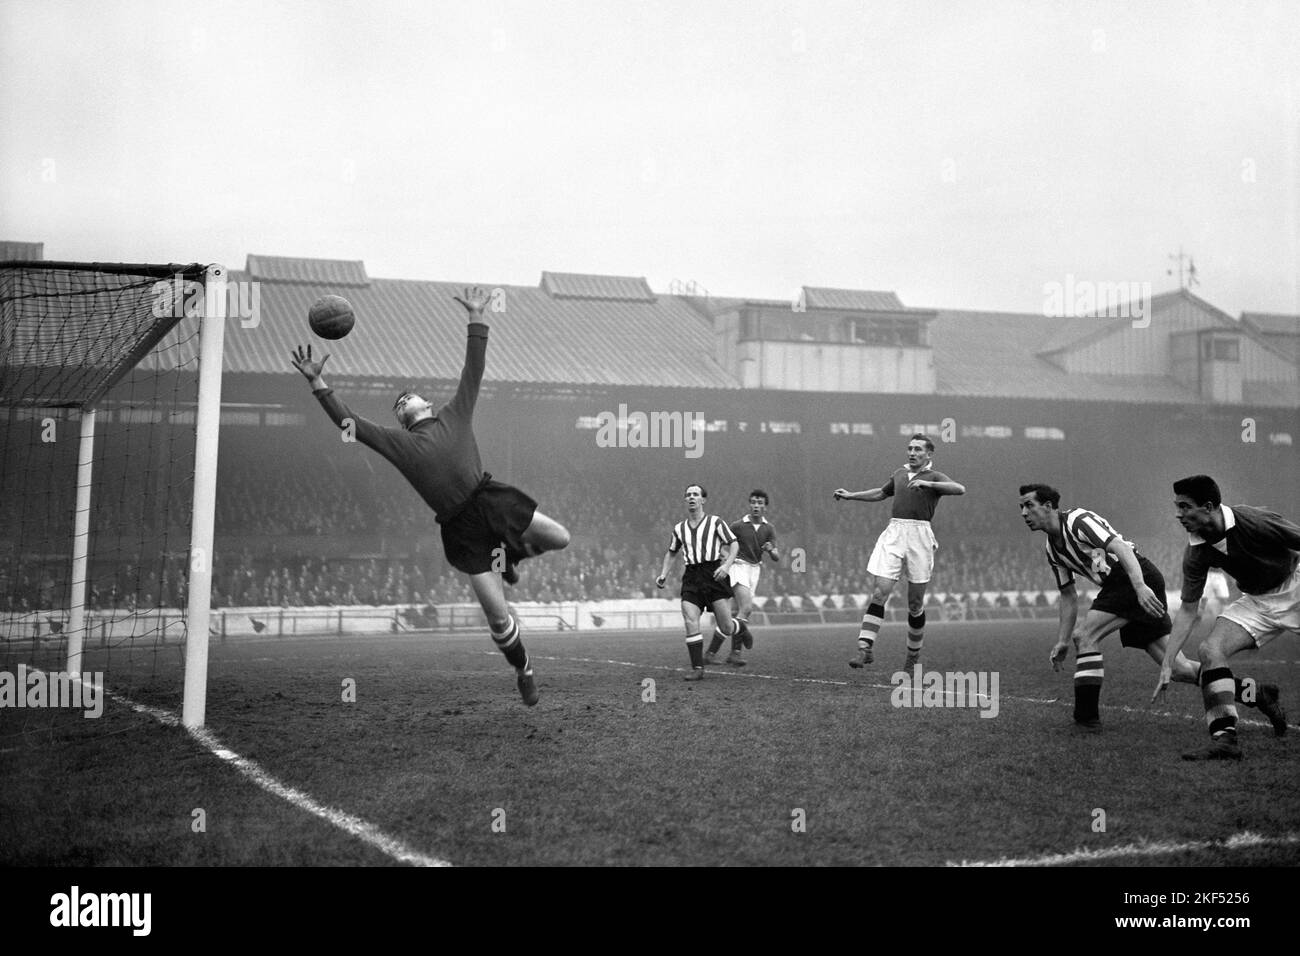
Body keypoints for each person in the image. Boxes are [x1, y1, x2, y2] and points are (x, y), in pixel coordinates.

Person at [289, 286, 570, 706]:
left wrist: (477, 318)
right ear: (402, 421)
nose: (404, 401)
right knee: (498, 616)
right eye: (398, 404)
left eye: (410, 397)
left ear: (428, 404)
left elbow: (473, 369)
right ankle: (524, 667)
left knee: (561, 538)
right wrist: (318, 382)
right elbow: (349, 422)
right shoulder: (397, 444)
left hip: (490, 498)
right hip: (460, 527)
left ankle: (510, 557)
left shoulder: (456, 413)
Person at [1017, 483, 1275, 734]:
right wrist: (1061, 640)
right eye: (1021, 508)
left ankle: (1086, 720)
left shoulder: (1077, 520)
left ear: (1048, 506)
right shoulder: (1052, 549)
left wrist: (1139, 587)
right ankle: (1256, 693)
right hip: (1123, 586)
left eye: (1029, 505)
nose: (1024, 513)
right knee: (1178, 669)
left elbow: (1118, 546)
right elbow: (1068, 595)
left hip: (1132, 578)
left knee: (1085, 636)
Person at [1153, 475, 1295, 759]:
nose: (1178, 514)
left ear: (1208, 507)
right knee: (1209, 651)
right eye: (1177, 507)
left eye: (1184, 507)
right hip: (1258, 601)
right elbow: (1189, 610)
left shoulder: (1253, 520)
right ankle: (1224, 740)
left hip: (1296, 584)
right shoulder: (1196, 550)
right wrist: (1168, 662)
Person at [834, 434, 964, 671]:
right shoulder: (899, 473)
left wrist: (929, 485)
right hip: (895, 533)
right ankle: (865, 648)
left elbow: (959, 489)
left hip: (920, 536)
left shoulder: (933, 476)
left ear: (929, 454)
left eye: (917, 449)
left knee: (914, 603)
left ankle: (912, 657)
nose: (912, 453)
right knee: (879, 592)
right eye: (909, 448)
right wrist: (851, 495)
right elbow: (881, 493)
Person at [656, 484, 744, 681]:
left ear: (703, 500)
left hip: (713, 574)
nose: (691, 497)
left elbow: (734, 544)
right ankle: (697, 667)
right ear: (685, 500)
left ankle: (741, 629)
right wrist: (663, 575)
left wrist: (727, 565)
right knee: (690, 619)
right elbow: (671, 552)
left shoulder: (715, 522)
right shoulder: (679, 529)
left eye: (695, 494)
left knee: (727, 627)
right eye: (688, 495)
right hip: (692, 576)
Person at [710, 489, 780, 666]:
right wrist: (725, 557)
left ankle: (722, 652)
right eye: (753, 502)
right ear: (750, 504)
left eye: (760, 503)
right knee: (746, 608)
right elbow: (723, 545)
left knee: (738, 613)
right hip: (739, 566)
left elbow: (777, 556)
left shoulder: (769, 528)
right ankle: (743, 634)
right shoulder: (737, 525)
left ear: (765, 507)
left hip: (755, 570)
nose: (756, 506)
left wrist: (771, 550)